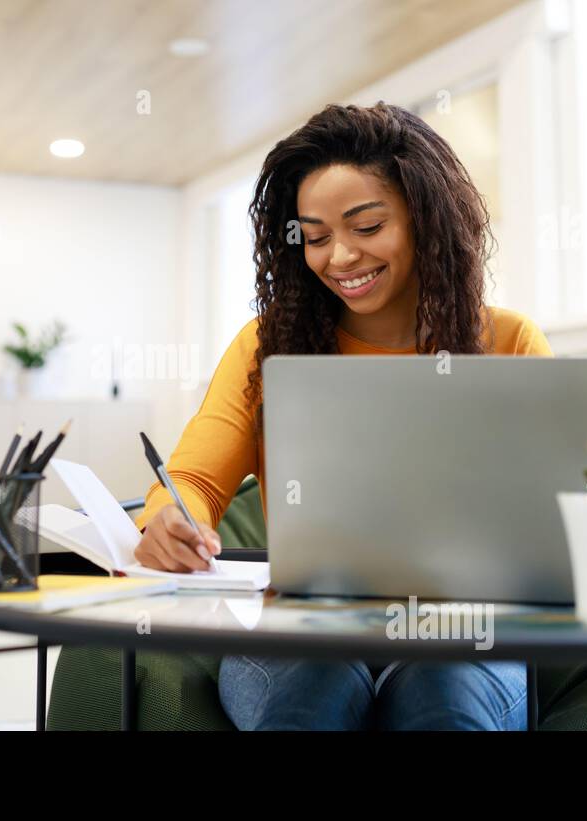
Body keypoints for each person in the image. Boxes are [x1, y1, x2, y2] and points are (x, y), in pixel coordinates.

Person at [131, 102, 552, 730]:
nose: (341, 257)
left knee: (448, 702)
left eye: (367, 226)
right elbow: (194, 479)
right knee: (309, 694)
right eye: (317, 236)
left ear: (425, 220)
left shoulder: (509, 341)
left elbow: (561, 507)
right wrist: (170, 519)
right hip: (305, 627)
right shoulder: (266, 346)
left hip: (462, 630)